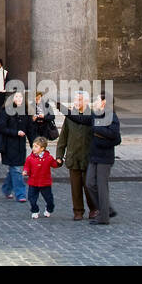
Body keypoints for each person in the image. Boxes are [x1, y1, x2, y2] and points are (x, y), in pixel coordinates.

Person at [55, 90, 95, 220]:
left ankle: (93, 208)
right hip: (73, 157)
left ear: (87, 101)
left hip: (88, 157)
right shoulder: (70, 117)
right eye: (75, 100)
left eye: (79, 100)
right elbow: (63, 138)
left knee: (89, 186)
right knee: (75, 187)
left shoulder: (92, 116)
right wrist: (59, 155)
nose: (76, 103)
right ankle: (78, 211)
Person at [85, 93, 121, 226]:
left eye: (97, 99)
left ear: (104, 102)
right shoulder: (95, 114)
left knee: (101, 186)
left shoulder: (111, 115)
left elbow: (114, 134)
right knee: (89, 183)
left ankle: (104, 217)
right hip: (94, 155)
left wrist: (97, 129)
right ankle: (107, 209)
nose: (95, 101)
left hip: (105, 157)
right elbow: (81, 119)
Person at [0, 91, 30, 202]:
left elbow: (30, 129)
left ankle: (6, 188)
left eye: (21, 96)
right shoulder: (6, 111)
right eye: (16, 96)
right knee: (16, 169)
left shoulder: (26, 112)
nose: (19, 98)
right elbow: (1, 127)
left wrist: (35, 143)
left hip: (20, 145)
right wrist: (15, 132)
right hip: (9, 145)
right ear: (12, 98)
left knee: (13, 169)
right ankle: (21, 194)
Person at [23, 136, 58, 218]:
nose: (33, 148)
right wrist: (25, 171)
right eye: (33, 146)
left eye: (36, 146)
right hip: (33, 182)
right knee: (31, 198)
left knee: (49, 199)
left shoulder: (48, 158)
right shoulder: (30, 158)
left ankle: (49, 208)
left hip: (45, 183)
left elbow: (54, 164)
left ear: (42, 148)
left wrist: (59, 162)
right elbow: (27, 167)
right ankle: (35, 210)